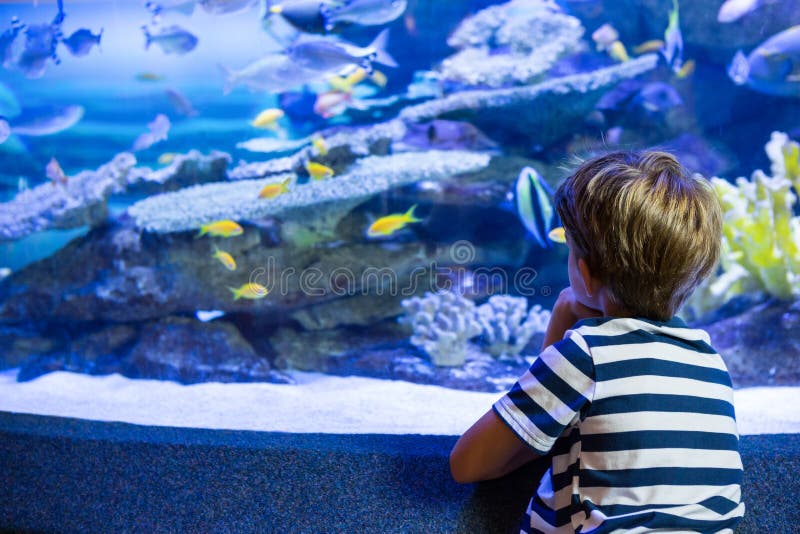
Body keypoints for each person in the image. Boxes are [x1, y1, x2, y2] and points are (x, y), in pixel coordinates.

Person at [450, 151, 745, 532]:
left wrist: (562, 316)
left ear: (585, 274)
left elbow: (468, 463)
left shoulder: (586, 354)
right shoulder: (711, 362)